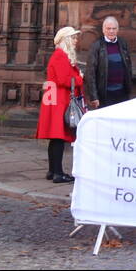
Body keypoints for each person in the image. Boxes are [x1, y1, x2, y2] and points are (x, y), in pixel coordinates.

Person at [36, 26, 84, 183]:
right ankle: (57, 173)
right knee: (58, 137)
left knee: (56, 138)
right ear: (66, 40)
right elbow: (65, 80)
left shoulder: (60, 55)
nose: (76, 41)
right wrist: (80, 78)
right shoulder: (60, 56)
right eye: (74, 38)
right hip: (58, 101)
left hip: (56, 100)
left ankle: (53, 171)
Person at [84, 16, 133, 109]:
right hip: (104, 95)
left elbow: (128, 66)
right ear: (103, 30)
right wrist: (94, 96)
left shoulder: (123, 43)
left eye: (114, 28)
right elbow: (90, 73)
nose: (111, 31)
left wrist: (128, 88)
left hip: (122, 93)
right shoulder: (96, 46)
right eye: (108, 28)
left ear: (117, 29)